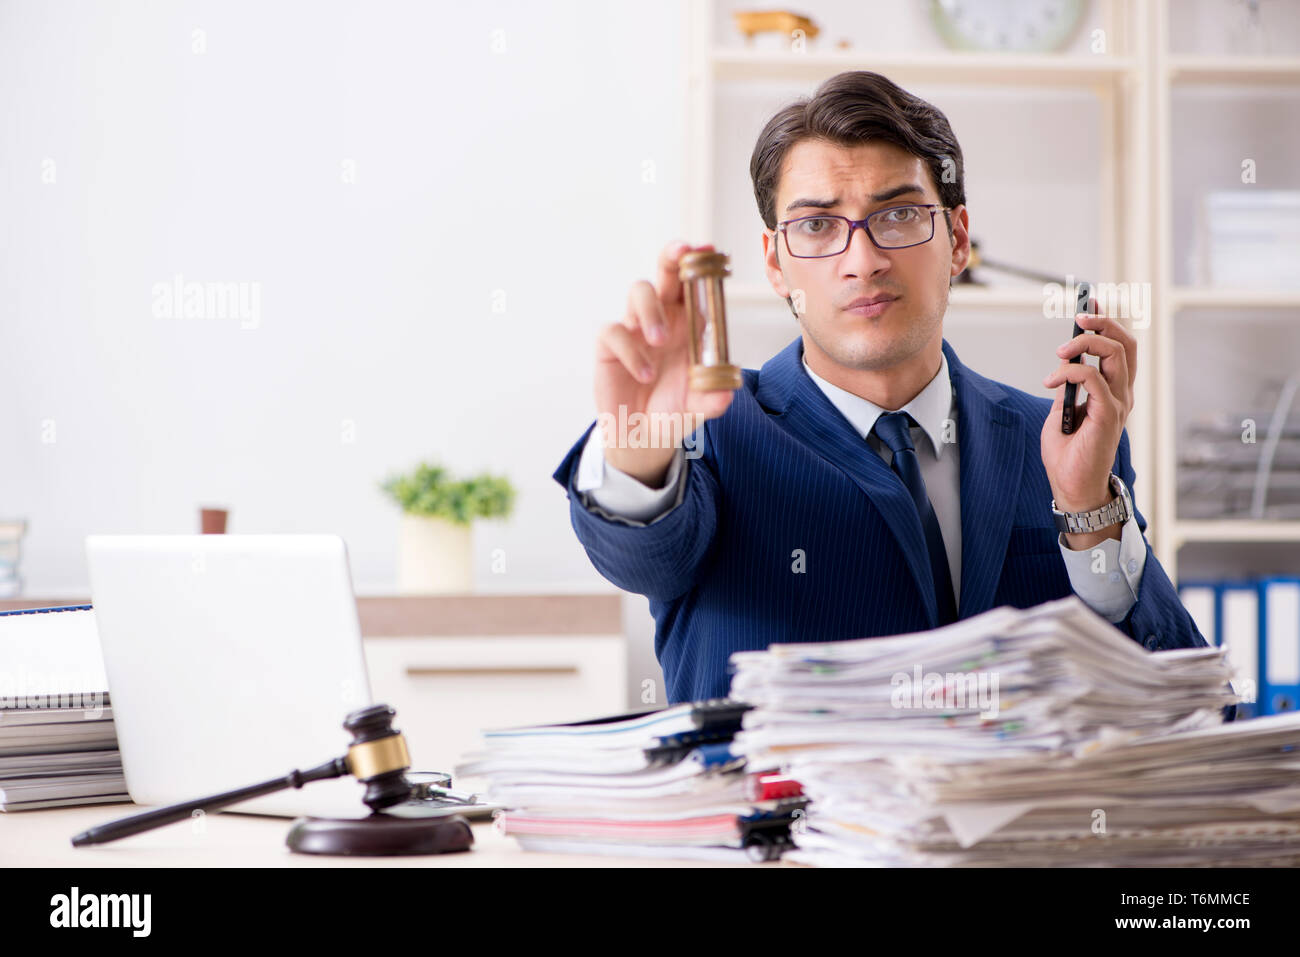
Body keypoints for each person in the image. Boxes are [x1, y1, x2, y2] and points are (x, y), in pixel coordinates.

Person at [552, 71, 1231, 720]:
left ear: (957, 239)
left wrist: (1090, 516)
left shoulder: (1055, 437)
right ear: (773, 261)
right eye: (817, 225)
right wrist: (636, 444)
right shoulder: (707, 436)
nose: (863, 259)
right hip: (789, 841)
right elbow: (644, 556)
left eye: (900, 214)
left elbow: (1189, 701)